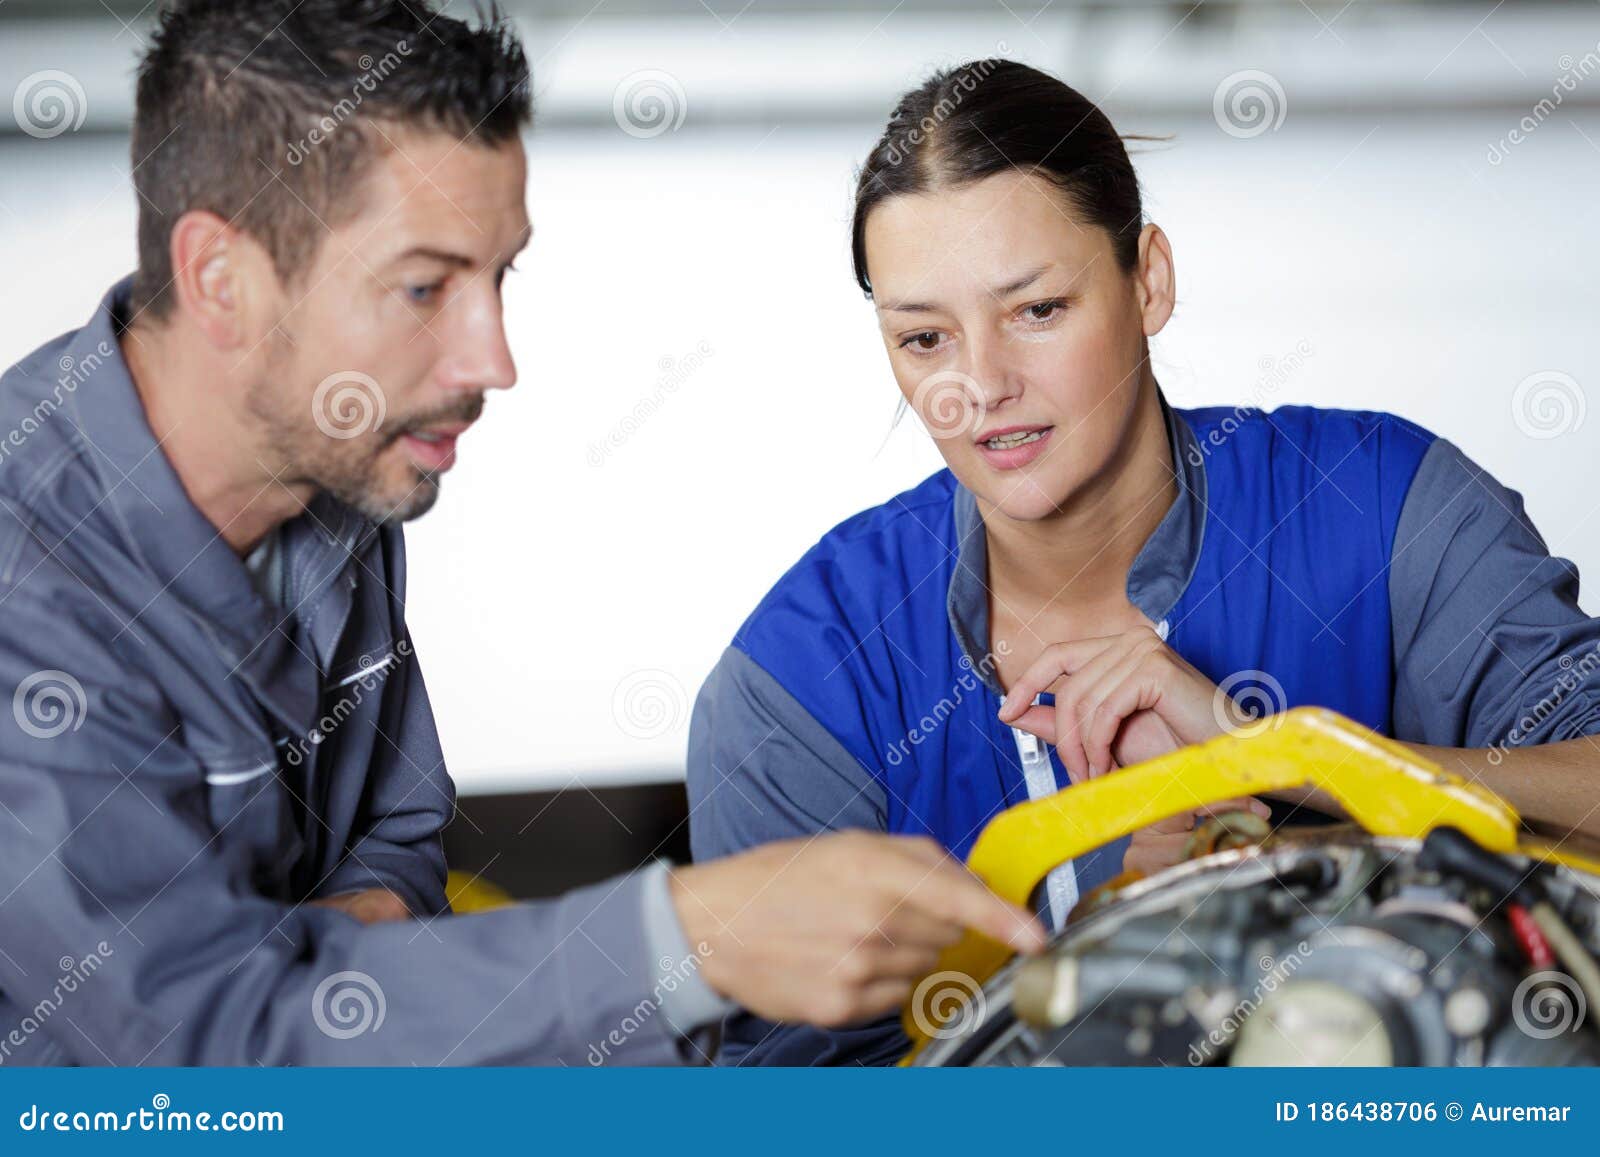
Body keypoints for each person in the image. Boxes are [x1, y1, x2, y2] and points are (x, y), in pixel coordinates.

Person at [0, 2, 1047, 1067]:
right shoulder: (23, 590)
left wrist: (328, 976)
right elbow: (207, 1054)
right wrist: (680, 939)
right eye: (424, 286)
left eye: (498, 276)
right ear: (222, 279)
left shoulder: (334, 477)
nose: (492, 359)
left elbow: (400, 836)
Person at [686, 58, 1600, 1066]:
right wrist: (1130, 943)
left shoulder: (1386, 510)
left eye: (1038, 310)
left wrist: (1301, 763)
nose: (978, 386)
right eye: (923, 336)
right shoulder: (802, 685)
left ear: (1147, 279)